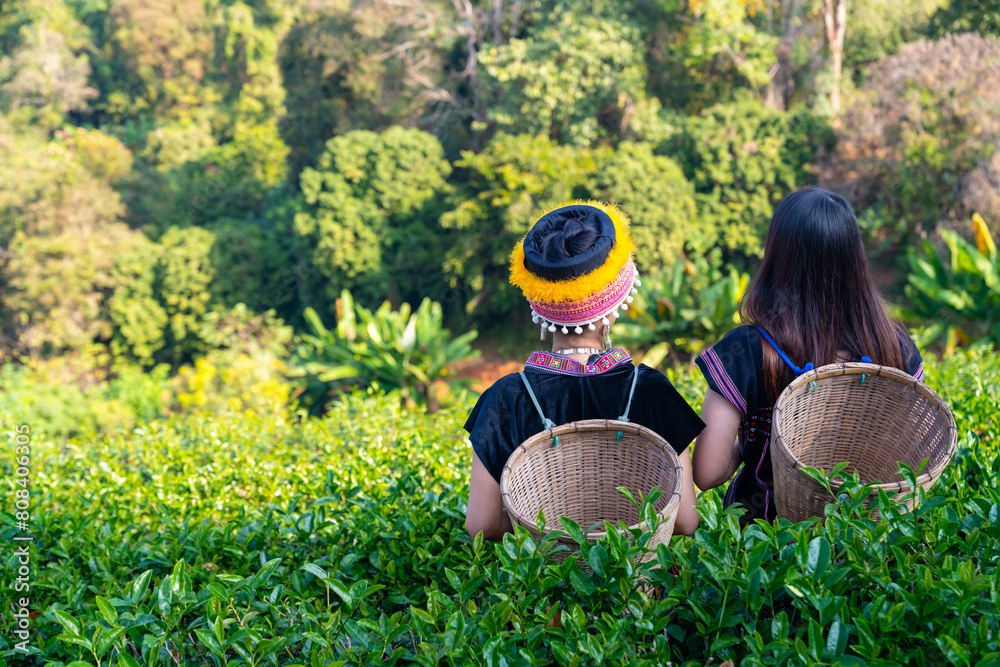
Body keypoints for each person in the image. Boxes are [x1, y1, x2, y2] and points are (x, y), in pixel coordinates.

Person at [463, 201, 705, 541]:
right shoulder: (650, 390)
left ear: (540, 307)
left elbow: (482, 525)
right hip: (634, 587)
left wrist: (543, 535)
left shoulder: (505, 399)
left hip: (543, 588)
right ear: (614, 306)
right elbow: (685, 521)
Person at [692, 187, 925, 525]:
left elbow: (708, 472)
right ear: (855, 258)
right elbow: (915, 455)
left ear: (778, 255)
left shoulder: (746, 350)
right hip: (869, 541)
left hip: (764, 546)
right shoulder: (896, 348)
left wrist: (758, 434)